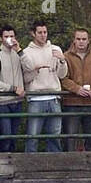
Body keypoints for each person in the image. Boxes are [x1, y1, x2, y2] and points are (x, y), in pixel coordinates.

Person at [20, 19, 68, 152]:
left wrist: (62, 60)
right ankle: (30, 163)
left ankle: (53, 164)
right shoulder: (26, 53)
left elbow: (62, 75)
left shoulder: (55, 49)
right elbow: (25, 78)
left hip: (54, 97)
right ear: (33, 34)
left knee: (55, 135)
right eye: (40, 32)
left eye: (45, 32)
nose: (43, 35)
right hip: (35, 98)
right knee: (33, 136)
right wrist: (35, 70)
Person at [60, 28, 91, 152]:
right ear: (74, 40)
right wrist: (76, 89)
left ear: (88, 40)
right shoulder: (65, 56)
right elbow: (63, 78)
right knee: (70, 139)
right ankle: (70, 166)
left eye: (84, 39)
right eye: (78, 39)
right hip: (71, 103)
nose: (81, 42)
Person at [0, 25, 25, 153]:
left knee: (14, 138)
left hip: (18, 102)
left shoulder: (19, 54)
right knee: (6, 137)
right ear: (0, 39)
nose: (9, 39)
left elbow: (30, 68)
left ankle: (12, 168)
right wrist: (12, 88)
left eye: (12, 36)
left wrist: (19, 50)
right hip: (3, 102)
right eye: (6, 36)